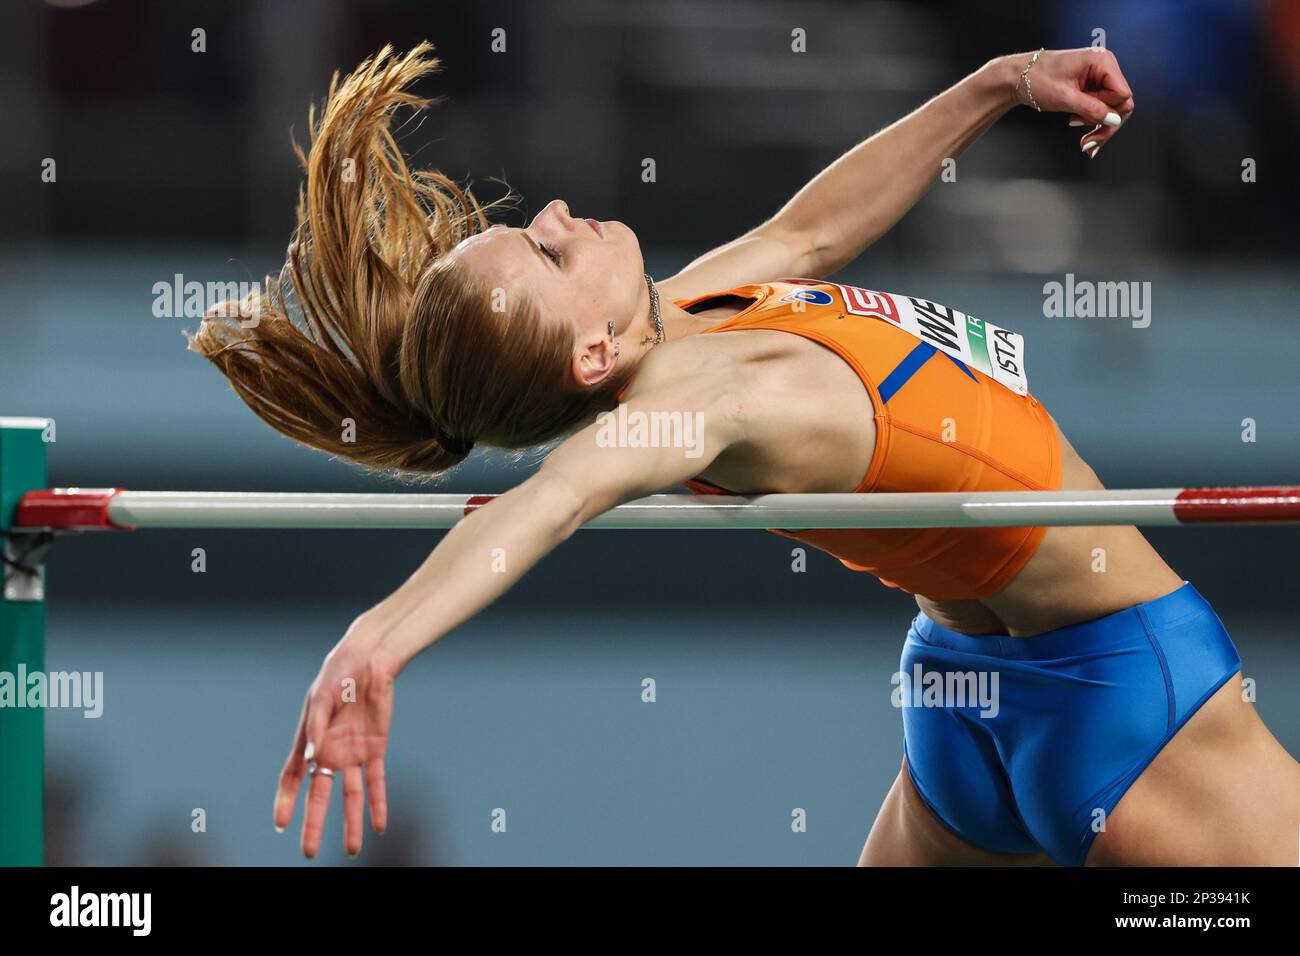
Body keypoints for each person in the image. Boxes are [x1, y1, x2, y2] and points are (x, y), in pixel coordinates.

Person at [191, 43, 1299, 864]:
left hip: (965, 706)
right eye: (546, 249)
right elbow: (545, 505)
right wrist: (376, 640)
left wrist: (997, 85)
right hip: (1122, 694)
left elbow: (814, 231)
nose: (566, 214)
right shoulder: (692, 404)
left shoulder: (691, 306)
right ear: (588, 356)